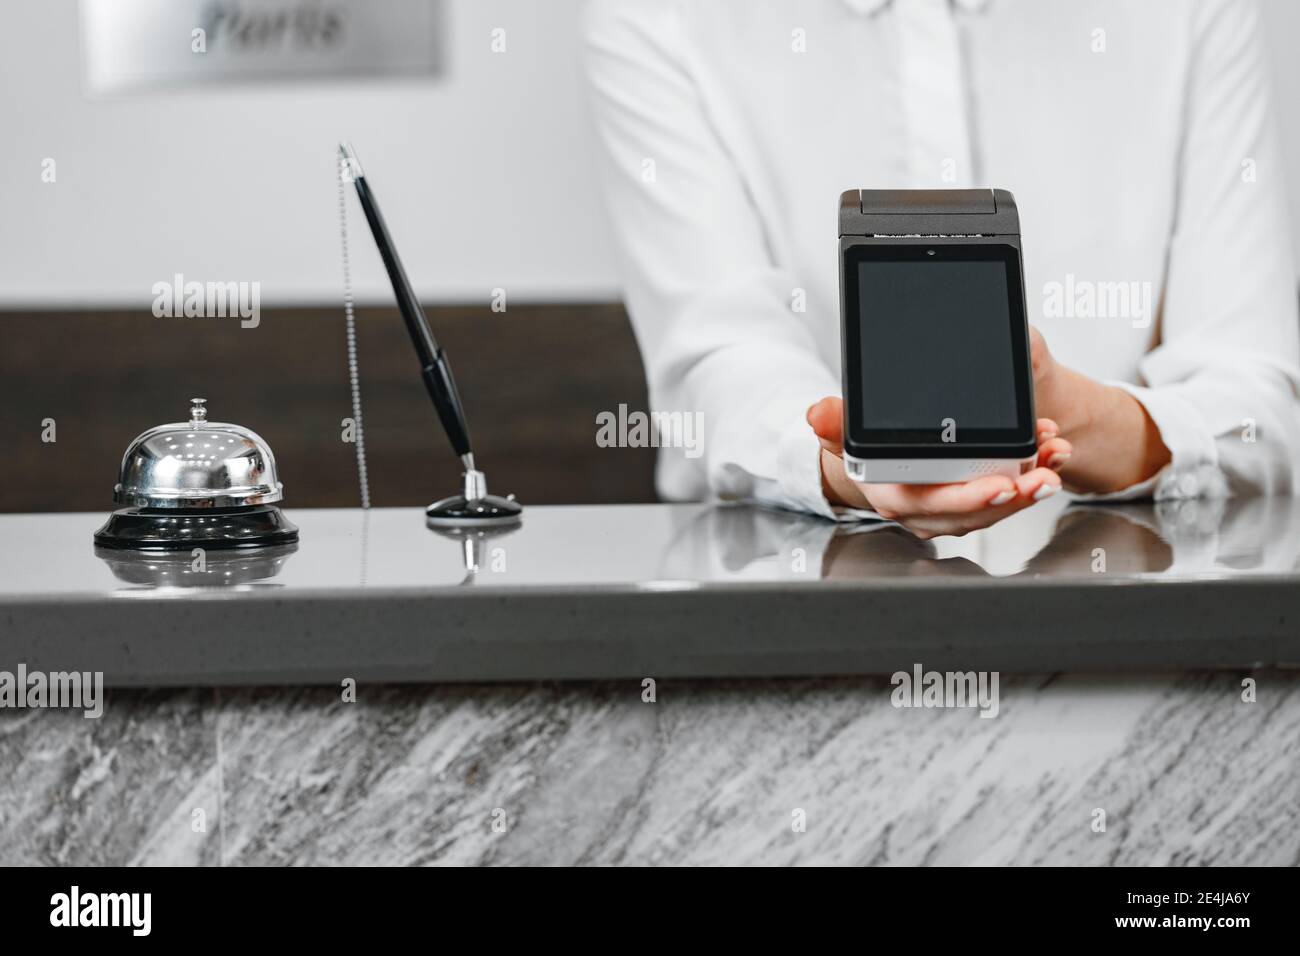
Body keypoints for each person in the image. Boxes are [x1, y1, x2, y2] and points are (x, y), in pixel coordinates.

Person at [583, 0, 1300, 538]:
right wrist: (848, 466)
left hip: (1130, 624)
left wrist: (1073, 413)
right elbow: (722, 367)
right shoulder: (657, 14)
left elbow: (1254, 404)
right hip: (788, 620)